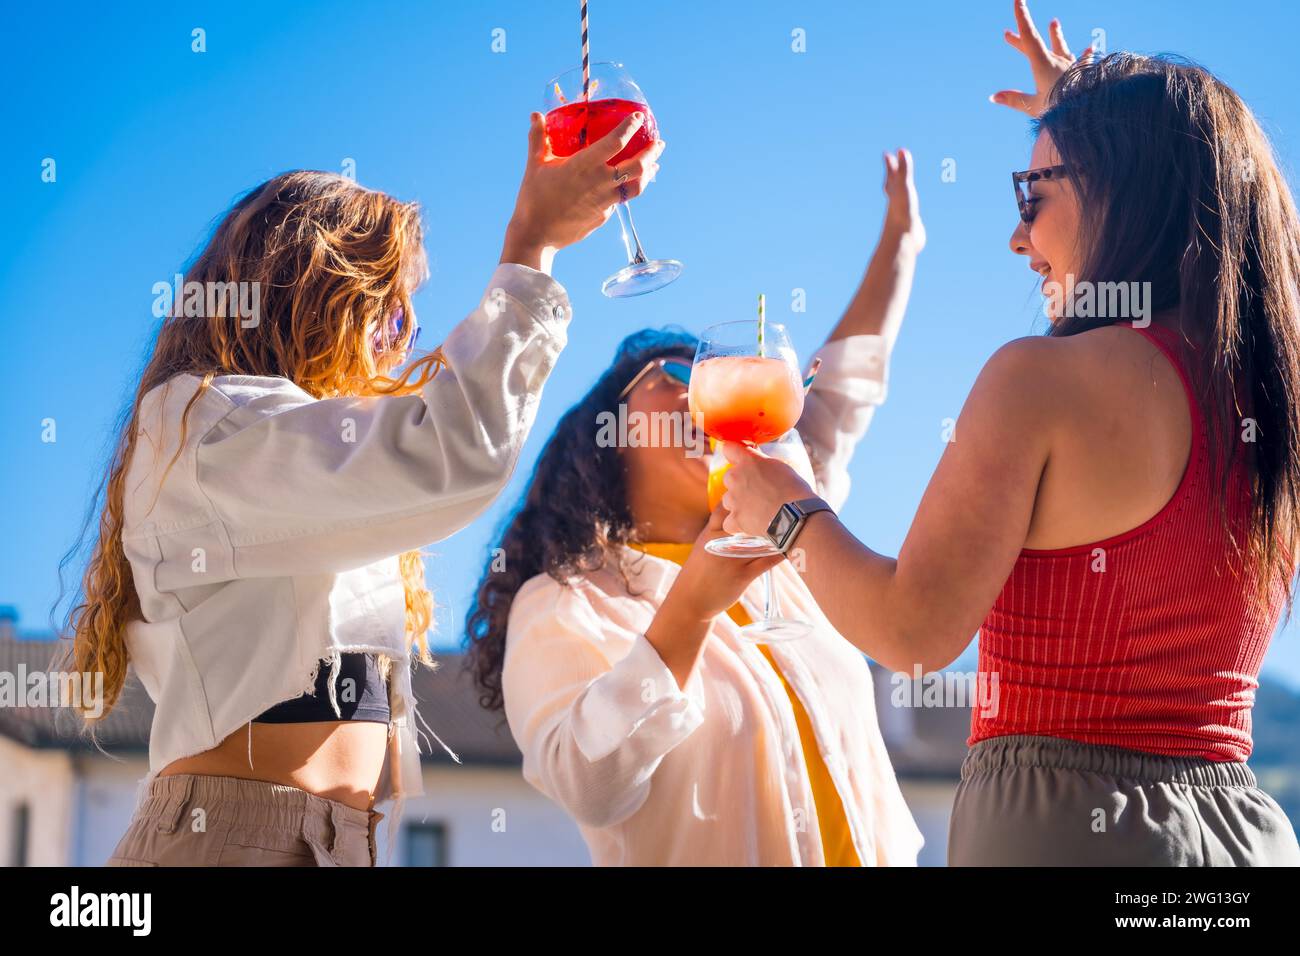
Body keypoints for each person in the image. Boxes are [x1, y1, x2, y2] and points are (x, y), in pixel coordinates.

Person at [719, 2, 1300, 865]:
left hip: (1062, 830)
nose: (1018, 237)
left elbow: (912, 629)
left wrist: (786, 508)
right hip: (1240, 840)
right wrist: (1090, 125)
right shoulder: (1268, 403)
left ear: (1126, 186)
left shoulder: (1039, 381)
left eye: (1035, 195)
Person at [63, 109, 664, 866]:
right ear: (312, 296)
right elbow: (449, 445)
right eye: (390, 306)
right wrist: (530, 247)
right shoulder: (205, 426)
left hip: (338, 843)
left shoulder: (295, 449)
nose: (406, 335)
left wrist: (542, 245)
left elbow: (433, 413)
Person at [466, 151, 926, 865]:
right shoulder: (566, 604)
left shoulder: (787, 529)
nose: (699, 391)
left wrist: (900, 242)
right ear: (607, 438)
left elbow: (844, 385)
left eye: (709, 374)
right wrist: (691, 609)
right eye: (674, 375)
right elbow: (589, 782)